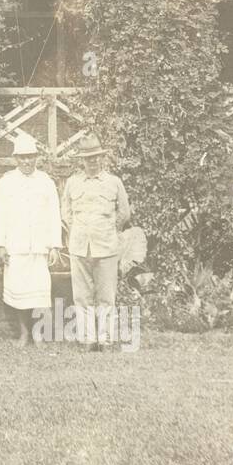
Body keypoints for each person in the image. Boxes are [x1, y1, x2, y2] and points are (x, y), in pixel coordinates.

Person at [60, 135, 130, 351]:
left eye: (95, 158)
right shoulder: (73, 182)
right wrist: (78, 231)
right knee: (82, 296)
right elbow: (66, 213)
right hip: (80, 246)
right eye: (88, 158)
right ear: (82, 160)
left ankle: (105, 339)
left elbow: (124, 213)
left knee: (106, 296)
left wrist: (109, 230)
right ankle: (88, 339)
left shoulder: (113, 182)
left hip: (106, 246)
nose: (92, 162)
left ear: (101, 158)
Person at [0, 134, 62, 348]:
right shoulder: (5, 182)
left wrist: (54, 245)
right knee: (20, 292)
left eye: (30, 157)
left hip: (39, 246)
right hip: (16, 246)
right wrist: (1, 244)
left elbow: (54, 214)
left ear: (36, 157)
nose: (26, 161)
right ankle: (23, 333)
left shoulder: (45, 182)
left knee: (39, 293)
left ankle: (38, 333)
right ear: (15, 158)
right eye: (22, 157)